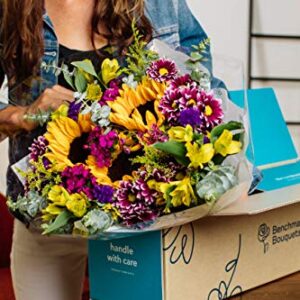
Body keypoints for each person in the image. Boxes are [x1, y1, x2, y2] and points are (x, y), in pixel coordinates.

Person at [0, 0, 215, 299]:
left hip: (143, 226)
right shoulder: (10, 7)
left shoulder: (156, 3)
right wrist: (24, 115)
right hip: (48, 224)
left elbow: (202, 85)